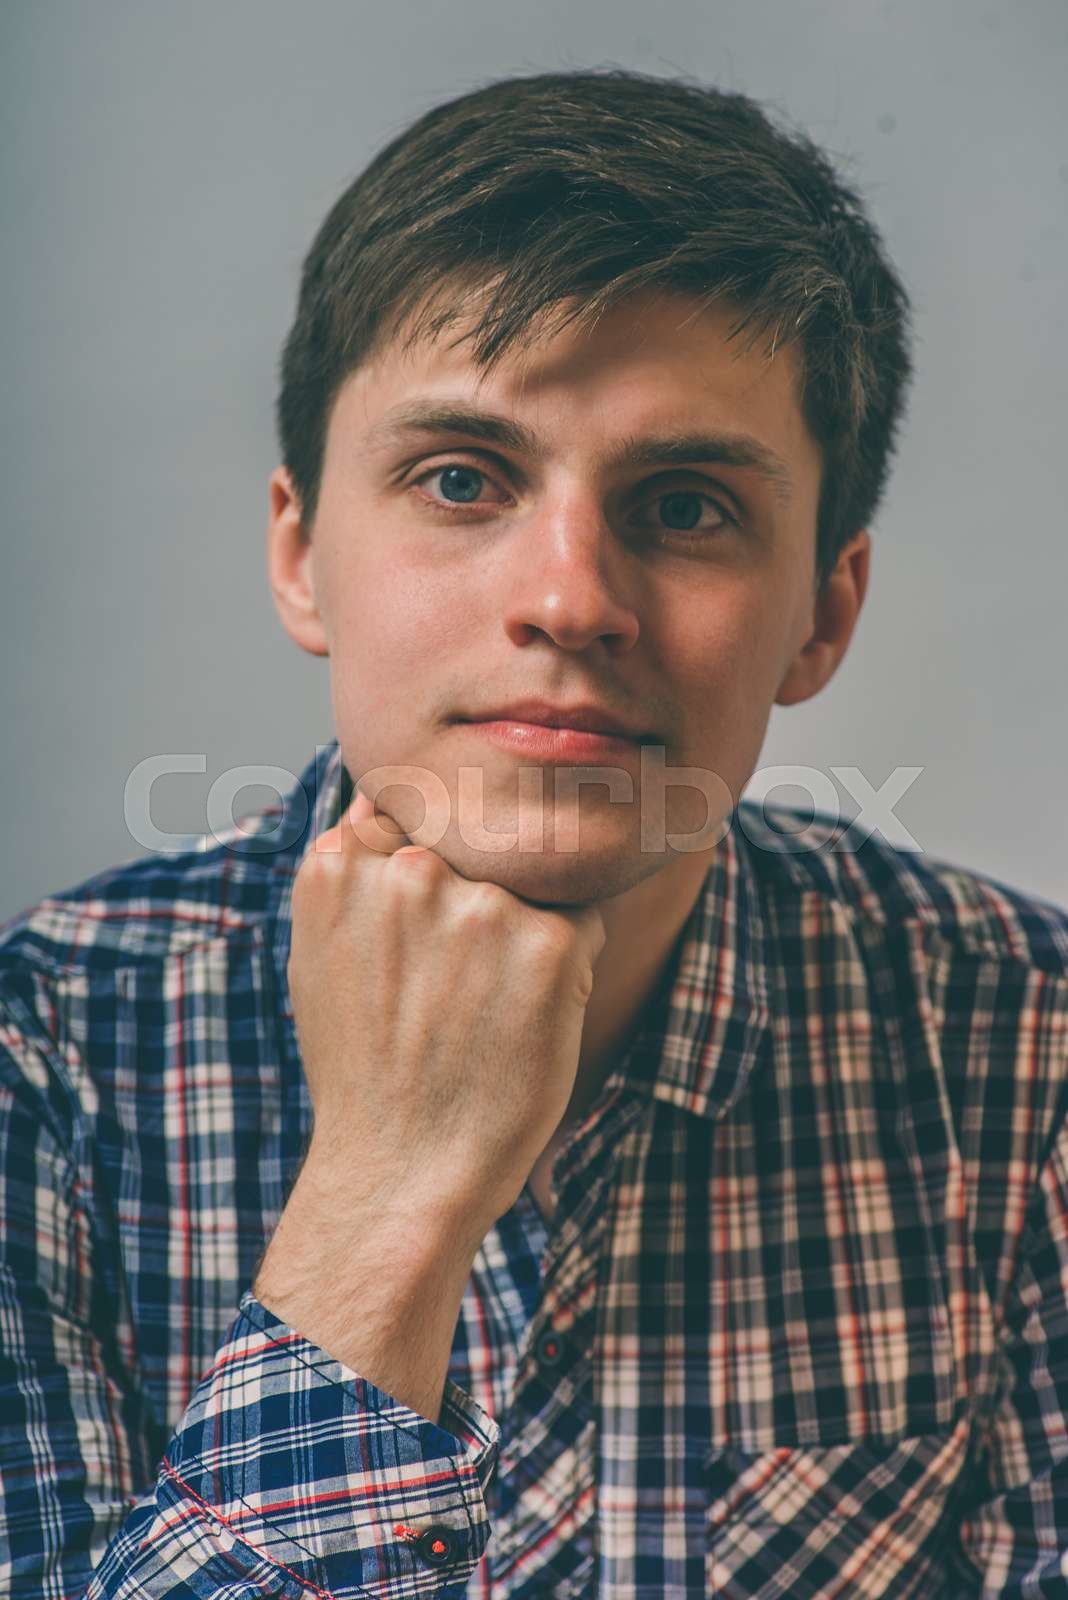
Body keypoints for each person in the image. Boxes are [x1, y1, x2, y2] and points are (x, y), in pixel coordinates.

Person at [1, 66, 1066, 1600]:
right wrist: (388, 1188)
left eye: (687, 504)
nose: (568, 598)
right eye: (460, 479)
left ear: (822, 615)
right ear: (304, 558)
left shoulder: (1029, 1057)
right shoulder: (43, 1061)